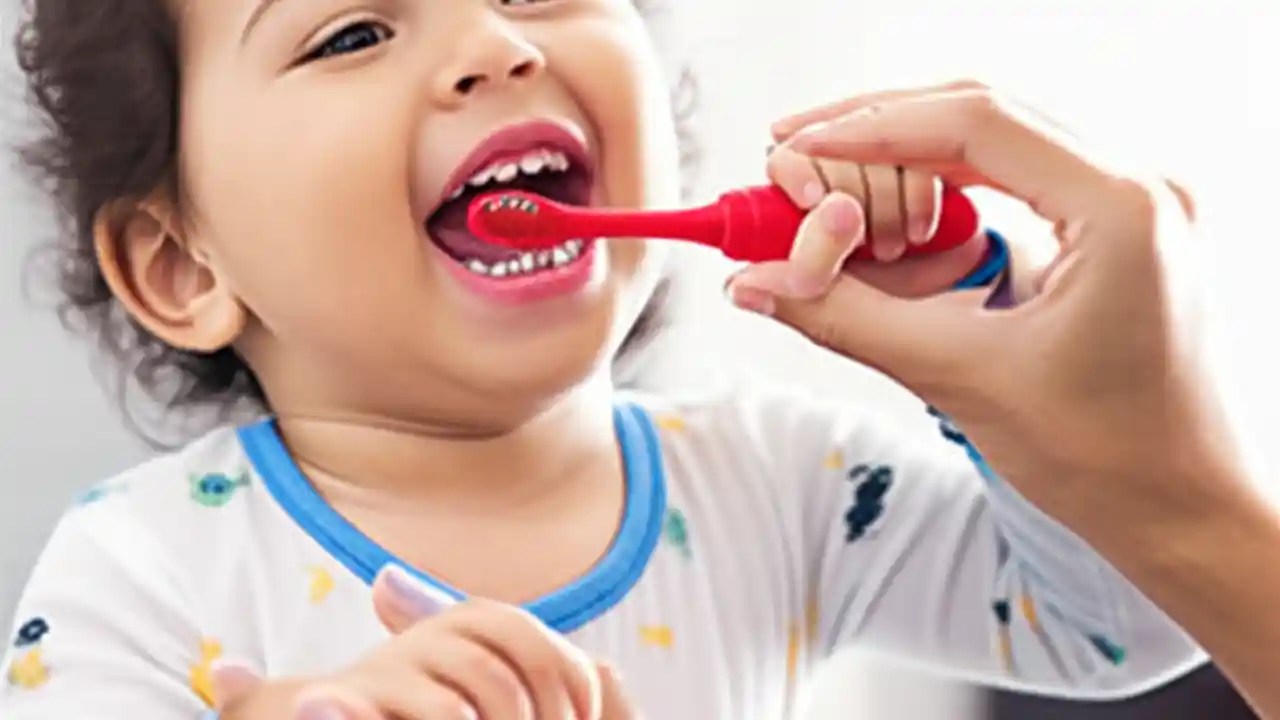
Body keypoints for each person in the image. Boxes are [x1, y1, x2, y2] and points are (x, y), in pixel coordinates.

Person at [0, 1, 1210, 719]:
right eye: (354, 29)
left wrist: (996, 364)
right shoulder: (145, 568)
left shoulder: (779, 478)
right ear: (181, 267)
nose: (491, 43)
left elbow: (1127, 625)